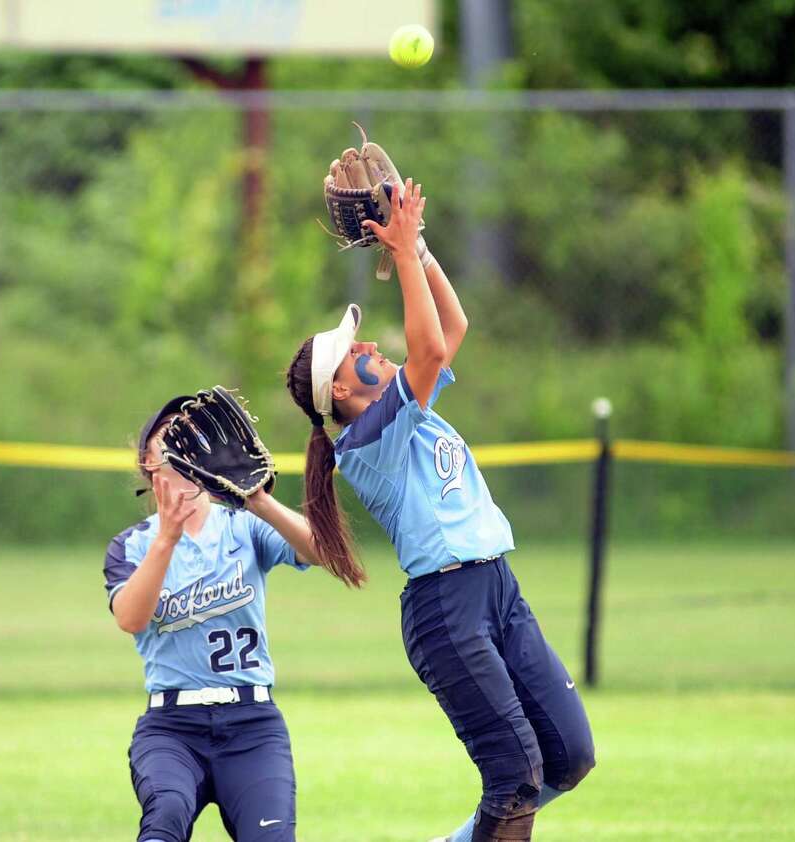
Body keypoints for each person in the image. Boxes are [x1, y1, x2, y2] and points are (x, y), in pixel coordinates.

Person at [284, 179, 595, 842]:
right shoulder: (366, 441)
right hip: (446, 611)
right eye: (354, 354)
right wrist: (397, 253)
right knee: (514, 778)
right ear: (337, 392)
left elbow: (452, 329)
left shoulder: (408, 407)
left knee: (568, 757)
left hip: (495, 590)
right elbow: (427, 348)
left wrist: (417, 247)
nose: (368, 349)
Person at [103, 398, 363, 842]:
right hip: (171, 729)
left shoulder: (242, 525)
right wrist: (167, 538)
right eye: (171, 431)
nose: (185, 438)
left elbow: (326, 552)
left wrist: (259, 502)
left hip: (252, 724)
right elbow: (130, 617)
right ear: (148, 460)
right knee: (164, 816)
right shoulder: (131, 546)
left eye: (193, 430)